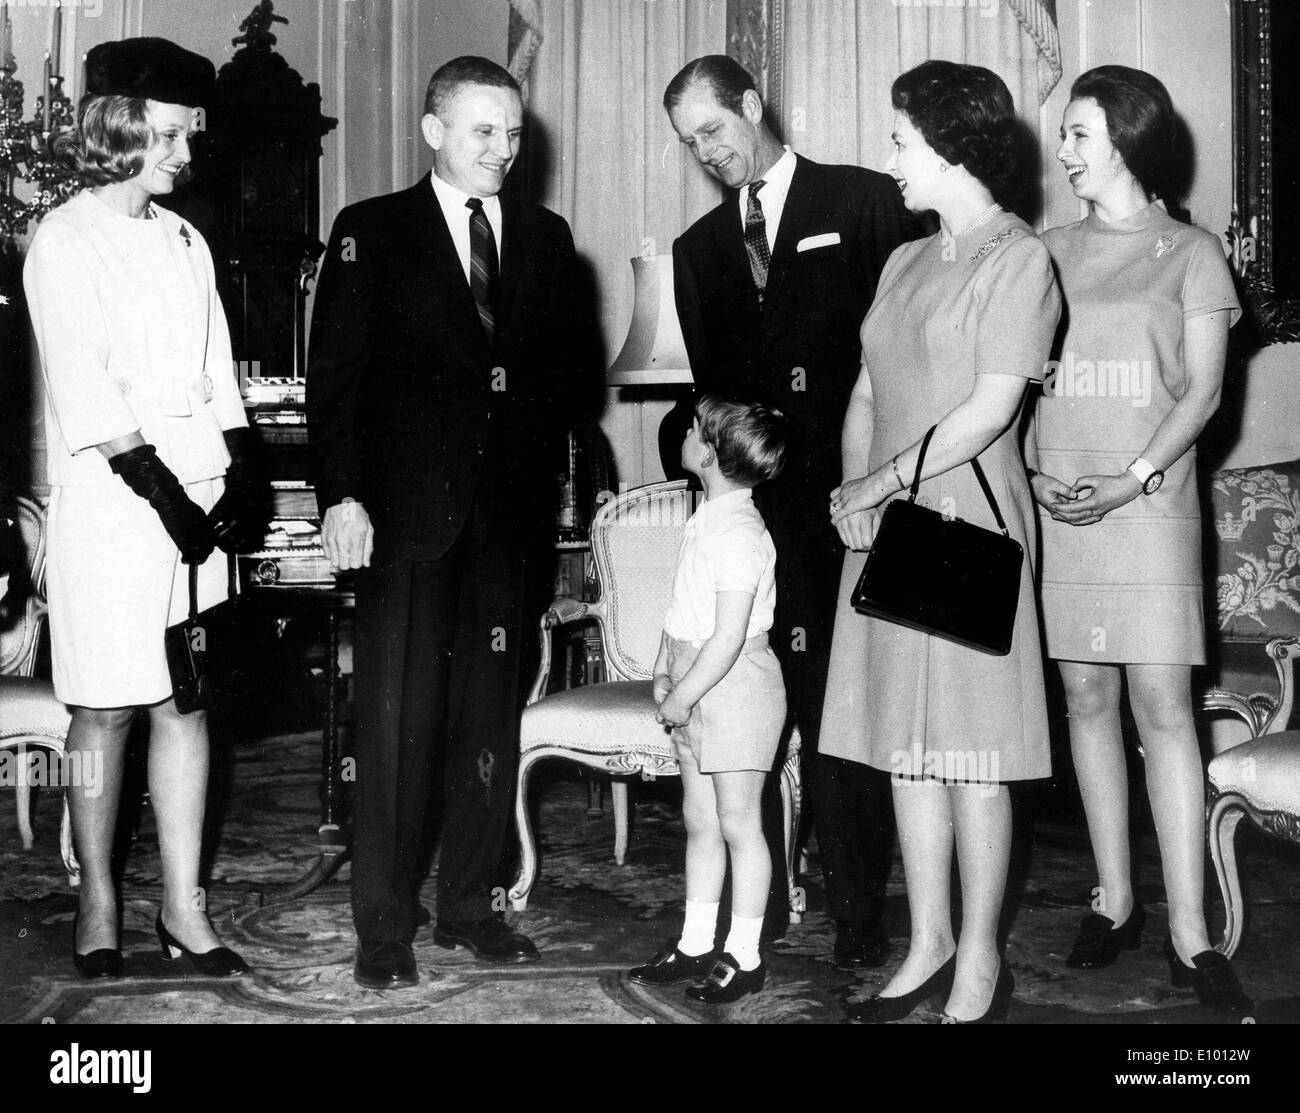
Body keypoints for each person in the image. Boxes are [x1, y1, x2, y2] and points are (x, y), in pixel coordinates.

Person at [307, 56, 585, 990]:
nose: (503, 150)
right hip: (404, 525)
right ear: (433, 131)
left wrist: (554, 502)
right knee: (396, 725)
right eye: (482, 132)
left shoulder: (548, 240)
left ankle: (469, 905)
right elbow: (333, 385)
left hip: (506, 528)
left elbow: (561, 393)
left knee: (484, 727)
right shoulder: (370, 232)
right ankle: (384, 926)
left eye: (513, 134)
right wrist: (341, 496)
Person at [664, 54, 922, 966]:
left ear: (753, 105)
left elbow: (907, 354)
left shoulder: (858, 201)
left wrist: (885, 484)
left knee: (837, 711)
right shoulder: (697, 251)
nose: (708, 152)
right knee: (746, 720)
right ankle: (755, 917)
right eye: (691, 143)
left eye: (715, 130)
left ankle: (860, 910)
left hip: (849, 509)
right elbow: (714, 399)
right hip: (753, 527)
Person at [823, 60, 1061, 1023]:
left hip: (966, 523)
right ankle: (925, 943)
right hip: (885, 526)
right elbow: (870, 388)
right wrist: (852, 489)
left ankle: (979, 960)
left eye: (902, 140)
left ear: (955, 147)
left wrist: (879, 483)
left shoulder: (1020, 259)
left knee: (971, 755)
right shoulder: (903, 259)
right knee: (903, 749)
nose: (891, 160)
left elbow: (989, 410)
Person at [24, 37, 262, 979]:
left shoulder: (185, 239)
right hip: (115, 504)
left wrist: (240, 469)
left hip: (194, 504)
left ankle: (184, 906)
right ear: (118, 129)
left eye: (188, 139)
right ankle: (97, 899)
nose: (185, 159)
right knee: (104, 712)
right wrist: (162, 493)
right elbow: (84, 387)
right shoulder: (63, 238)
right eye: (168, 137)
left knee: (184, 702)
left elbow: (216, 372)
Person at [1027, 65, 1251, 1012]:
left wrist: (1131, 479)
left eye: (1079, 133)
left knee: (1163, 708)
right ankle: (1113, 900)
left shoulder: (1192, 253)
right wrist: (1035, 474)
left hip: (1150, 505)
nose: (1064, 152)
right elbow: (1023, 378)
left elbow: (1202, 393)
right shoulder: (1042, 251)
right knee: (1084, 698)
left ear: (1125, 137)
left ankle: (1193, 935)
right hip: (1060, 500)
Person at [627, 395, 789, 1004]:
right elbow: (684, 615)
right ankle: (696, 940)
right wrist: (664, 673)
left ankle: (743, 955)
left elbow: (727, 638)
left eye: (694, 428)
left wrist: (681, 697)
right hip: (696, 681)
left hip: (737, 686)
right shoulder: (705, 519)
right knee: (700, 820)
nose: (685, 433)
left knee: (740, 822)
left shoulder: (742, 534)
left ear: (711, 453)